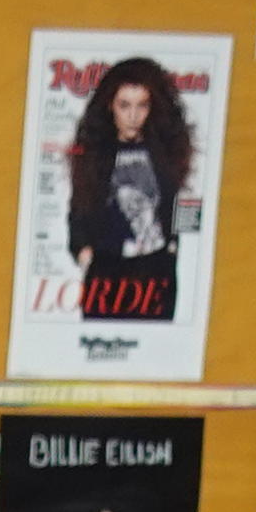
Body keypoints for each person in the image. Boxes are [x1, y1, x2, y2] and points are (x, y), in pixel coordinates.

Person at [61, 57, 192, 328]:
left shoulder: (166, 154)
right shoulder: (95, 154)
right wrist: (84, 253)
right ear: (111, 106)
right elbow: (79, 208)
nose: (133, 116)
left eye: (142, 105)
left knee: (154, 354)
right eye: (124, 105)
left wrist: (172, 248)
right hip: (108, 269)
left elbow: (181, 199)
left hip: (155, 269)